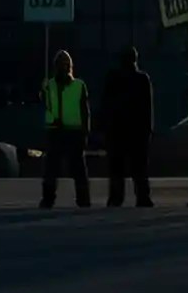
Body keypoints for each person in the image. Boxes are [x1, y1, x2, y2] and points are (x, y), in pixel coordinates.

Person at [102, 46, 154, 208]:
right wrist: (149, 129)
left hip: (117, 129)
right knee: (140, 168)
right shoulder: (142, 79)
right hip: (137, 130)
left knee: (116, 167)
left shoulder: (113, 78)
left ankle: (116, 198)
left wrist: (105, 128)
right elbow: (148, 107)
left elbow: (106, 105)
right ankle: (143, 197)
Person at [39, 50, 91, 209]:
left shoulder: (55, 85)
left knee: (58, 169)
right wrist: (85, 131)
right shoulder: (74, 85)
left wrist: (84, 132)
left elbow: (84, 110)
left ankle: (50, 199)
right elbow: (85, 111)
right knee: (65, 169)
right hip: (64, 131)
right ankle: (82, 200)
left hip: (65, 131)